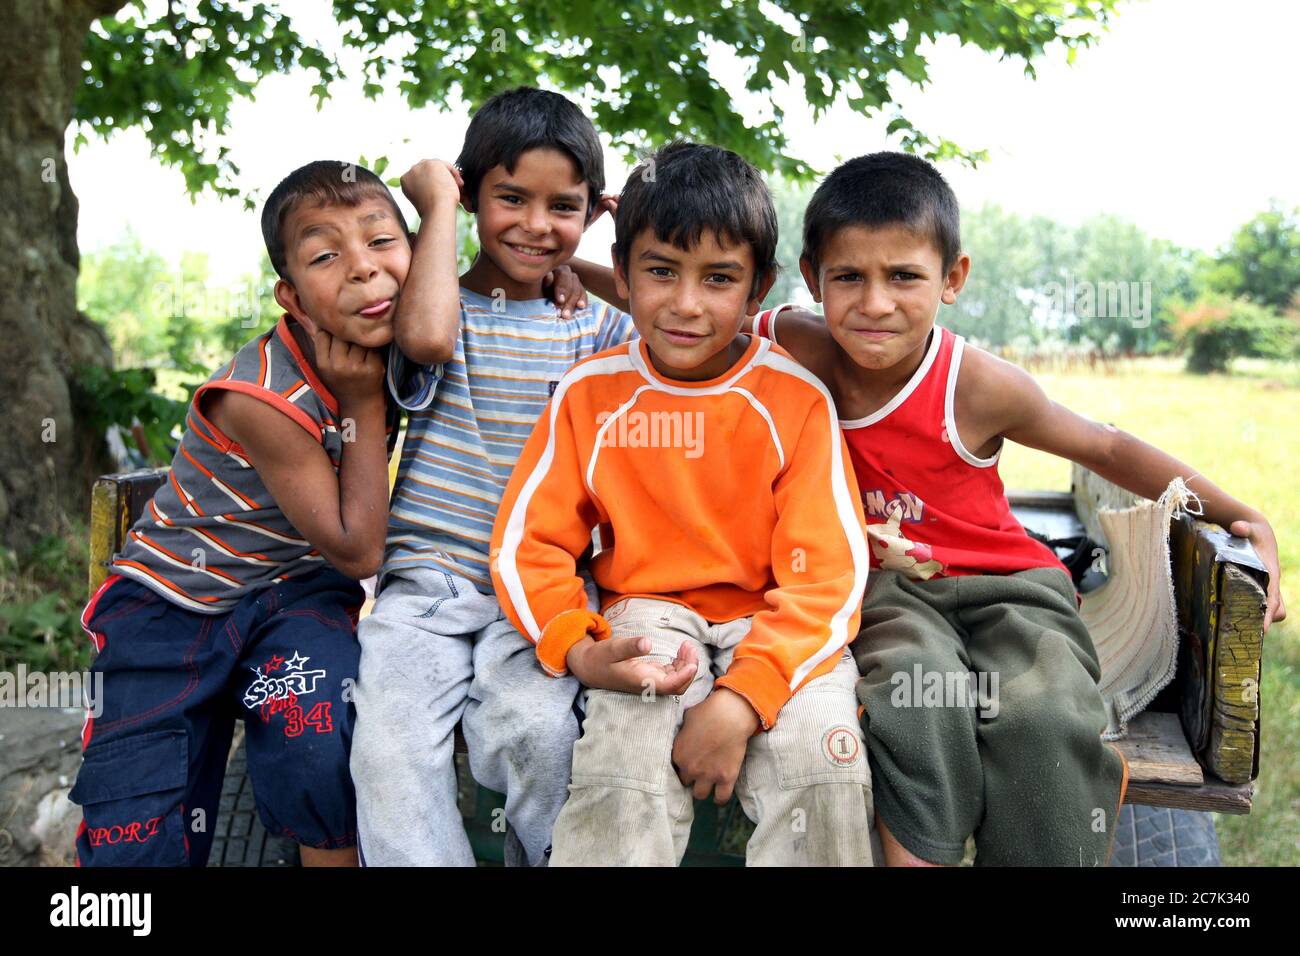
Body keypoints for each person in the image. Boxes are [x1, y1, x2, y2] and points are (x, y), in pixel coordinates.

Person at [751, 151, 1286, 865]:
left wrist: (1239, 510)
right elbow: (677, 303)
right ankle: (925, 852)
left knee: (1042, 712)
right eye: (849, 277)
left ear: (953, 279)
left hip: (1010, 585)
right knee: (914, 702)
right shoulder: (794, 345)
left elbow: (1107, 447)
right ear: (813, 278)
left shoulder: (975, 386)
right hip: (885, 591)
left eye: (904, 276)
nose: (874, 303)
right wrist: (571, 271)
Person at [490, 141, 875, 866]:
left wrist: (740, 699)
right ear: (625, 276)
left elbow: (827, 578)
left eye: (719, 278)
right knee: (622, 768)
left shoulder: (794, 401)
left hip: (780, 624)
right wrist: (578, 644)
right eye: (661, 271)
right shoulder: (589, 394)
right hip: (648, 615)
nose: (686, 304)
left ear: (757, 290)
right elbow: (527, 544)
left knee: (830, 764)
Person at [71, 160, 411, 866]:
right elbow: (359, 551)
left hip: (295, 596)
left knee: (320, 738)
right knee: (137, 826)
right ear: (290, 295)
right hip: (172, 605)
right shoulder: (260, 396)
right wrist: (363, 404)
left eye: (382, 242)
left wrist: (574, 277)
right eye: (326, 255)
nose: (362, 269)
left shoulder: (414, 337)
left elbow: (510, 285)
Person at [349, 86, 636, 866]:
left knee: (541, 734)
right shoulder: (427, 308)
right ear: (471, 195)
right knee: (390, 746)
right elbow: (430, 338)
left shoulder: (599, 328)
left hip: (543, 590)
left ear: (594, 213)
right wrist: (436, 200)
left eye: (563, 208)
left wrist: (578, 260)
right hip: (428, 583)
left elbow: (685, 296)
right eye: (510, 199)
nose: (536, 225)